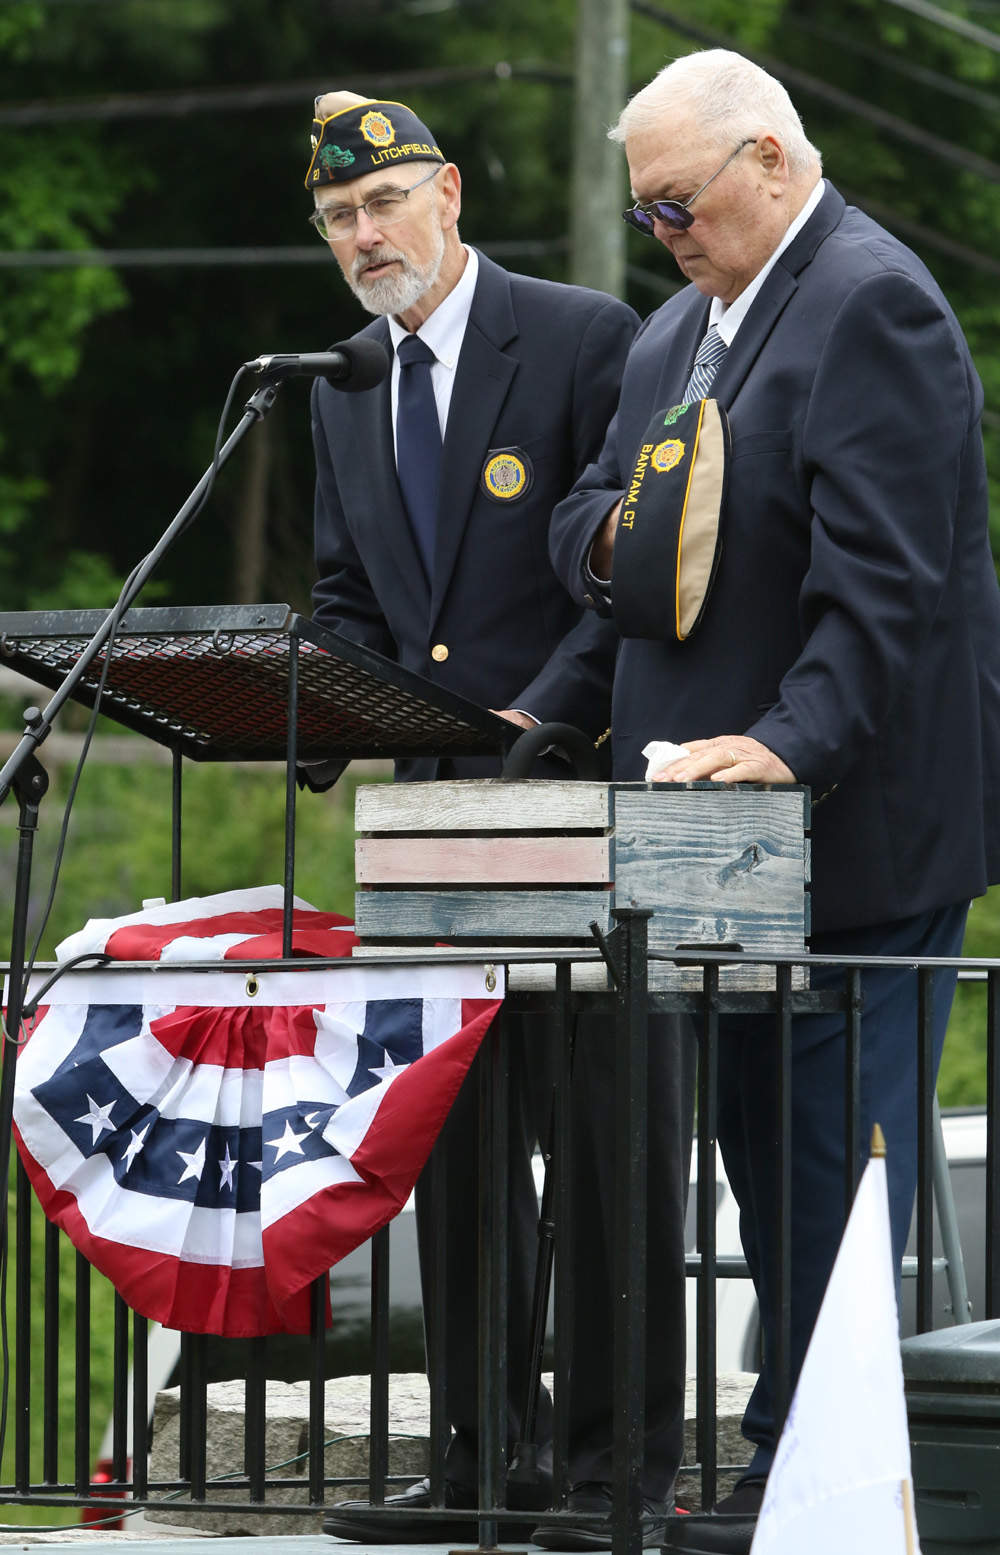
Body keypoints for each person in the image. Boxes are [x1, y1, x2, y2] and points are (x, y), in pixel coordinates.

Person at [549, 49, 1000, 1555]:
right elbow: (591, 513)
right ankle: (781, 1456)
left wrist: (787, 746)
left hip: (848, 829)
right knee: (755, 1154)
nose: (661, 232)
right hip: (714, 842)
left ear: (771, 160)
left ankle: (820, 1485)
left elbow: (888, 586)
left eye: (677, 202)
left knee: (829, 1169)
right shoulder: (678, 331)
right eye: (645, 210)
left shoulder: (872, 305)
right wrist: (592, 590)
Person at [304, 92, 692, 1550]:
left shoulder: (587, 337)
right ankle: (480, 1457)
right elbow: (351, 594)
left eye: (383, 203)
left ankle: (609, 1472)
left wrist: (541, 712)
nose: (364, 237)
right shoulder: (344, 382)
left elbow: (630, 571)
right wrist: (316, 702)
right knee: (457, 1144)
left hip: (581, 796)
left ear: (449, 193)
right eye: (338, 219)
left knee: (604, 1151)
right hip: (436, 821)